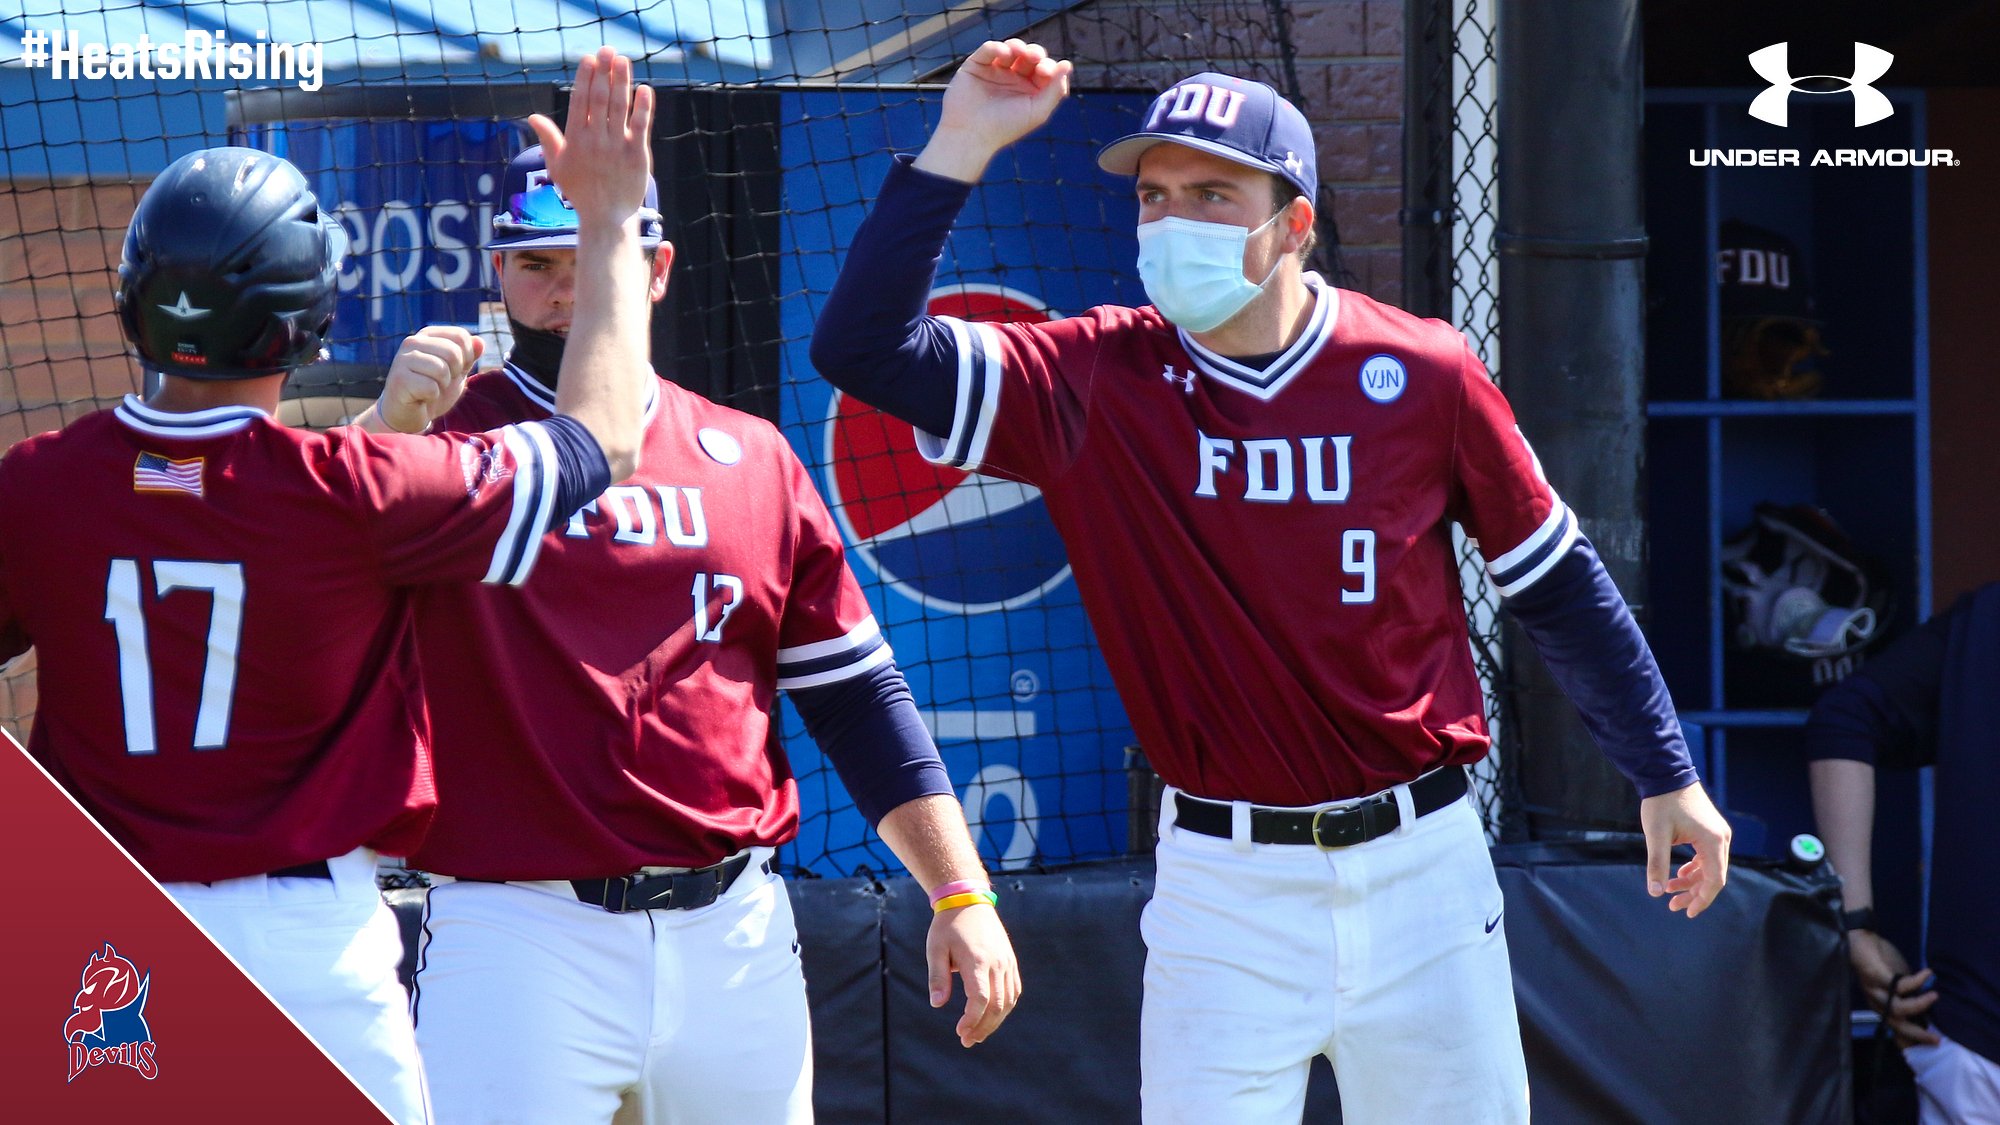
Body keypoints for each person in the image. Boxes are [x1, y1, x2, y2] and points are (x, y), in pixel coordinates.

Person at [809, 40, 1732, 1124]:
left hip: (1424, 873)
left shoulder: (1424, 370)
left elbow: (1556, 584)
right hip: (1223, 885)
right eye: (1154, 196)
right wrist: (960, 143)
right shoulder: (1091, 377)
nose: (1172, 221)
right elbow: (862, 348)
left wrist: (1664, 771)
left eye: (1212, 195)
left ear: (1294, 225)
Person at [353, 57, 1022, 1125]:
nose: (564, 288)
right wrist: (380, 432)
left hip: (732, 931)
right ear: (499, 273)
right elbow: (281, 560)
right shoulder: (443, 445)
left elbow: (855, 697)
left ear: (655, 267)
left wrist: (959, 889)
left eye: (595, 252)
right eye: (536, 262)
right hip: (517, 933)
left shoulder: (749, 455)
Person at [0, 46, 655, 1125]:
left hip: (102, 945)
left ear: (134, 298)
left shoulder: (37, 486)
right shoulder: (353, 488)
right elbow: (605, 442)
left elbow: (193, 492)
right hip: (305, 947)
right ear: (304, 319)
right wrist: (613, 226)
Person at [1808, 582, 2000, 1124]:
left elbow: (1845, 717)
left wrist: (1855, 923)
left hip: (1975, 1048)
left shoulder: (1988, 617)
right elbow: (1846, 719)